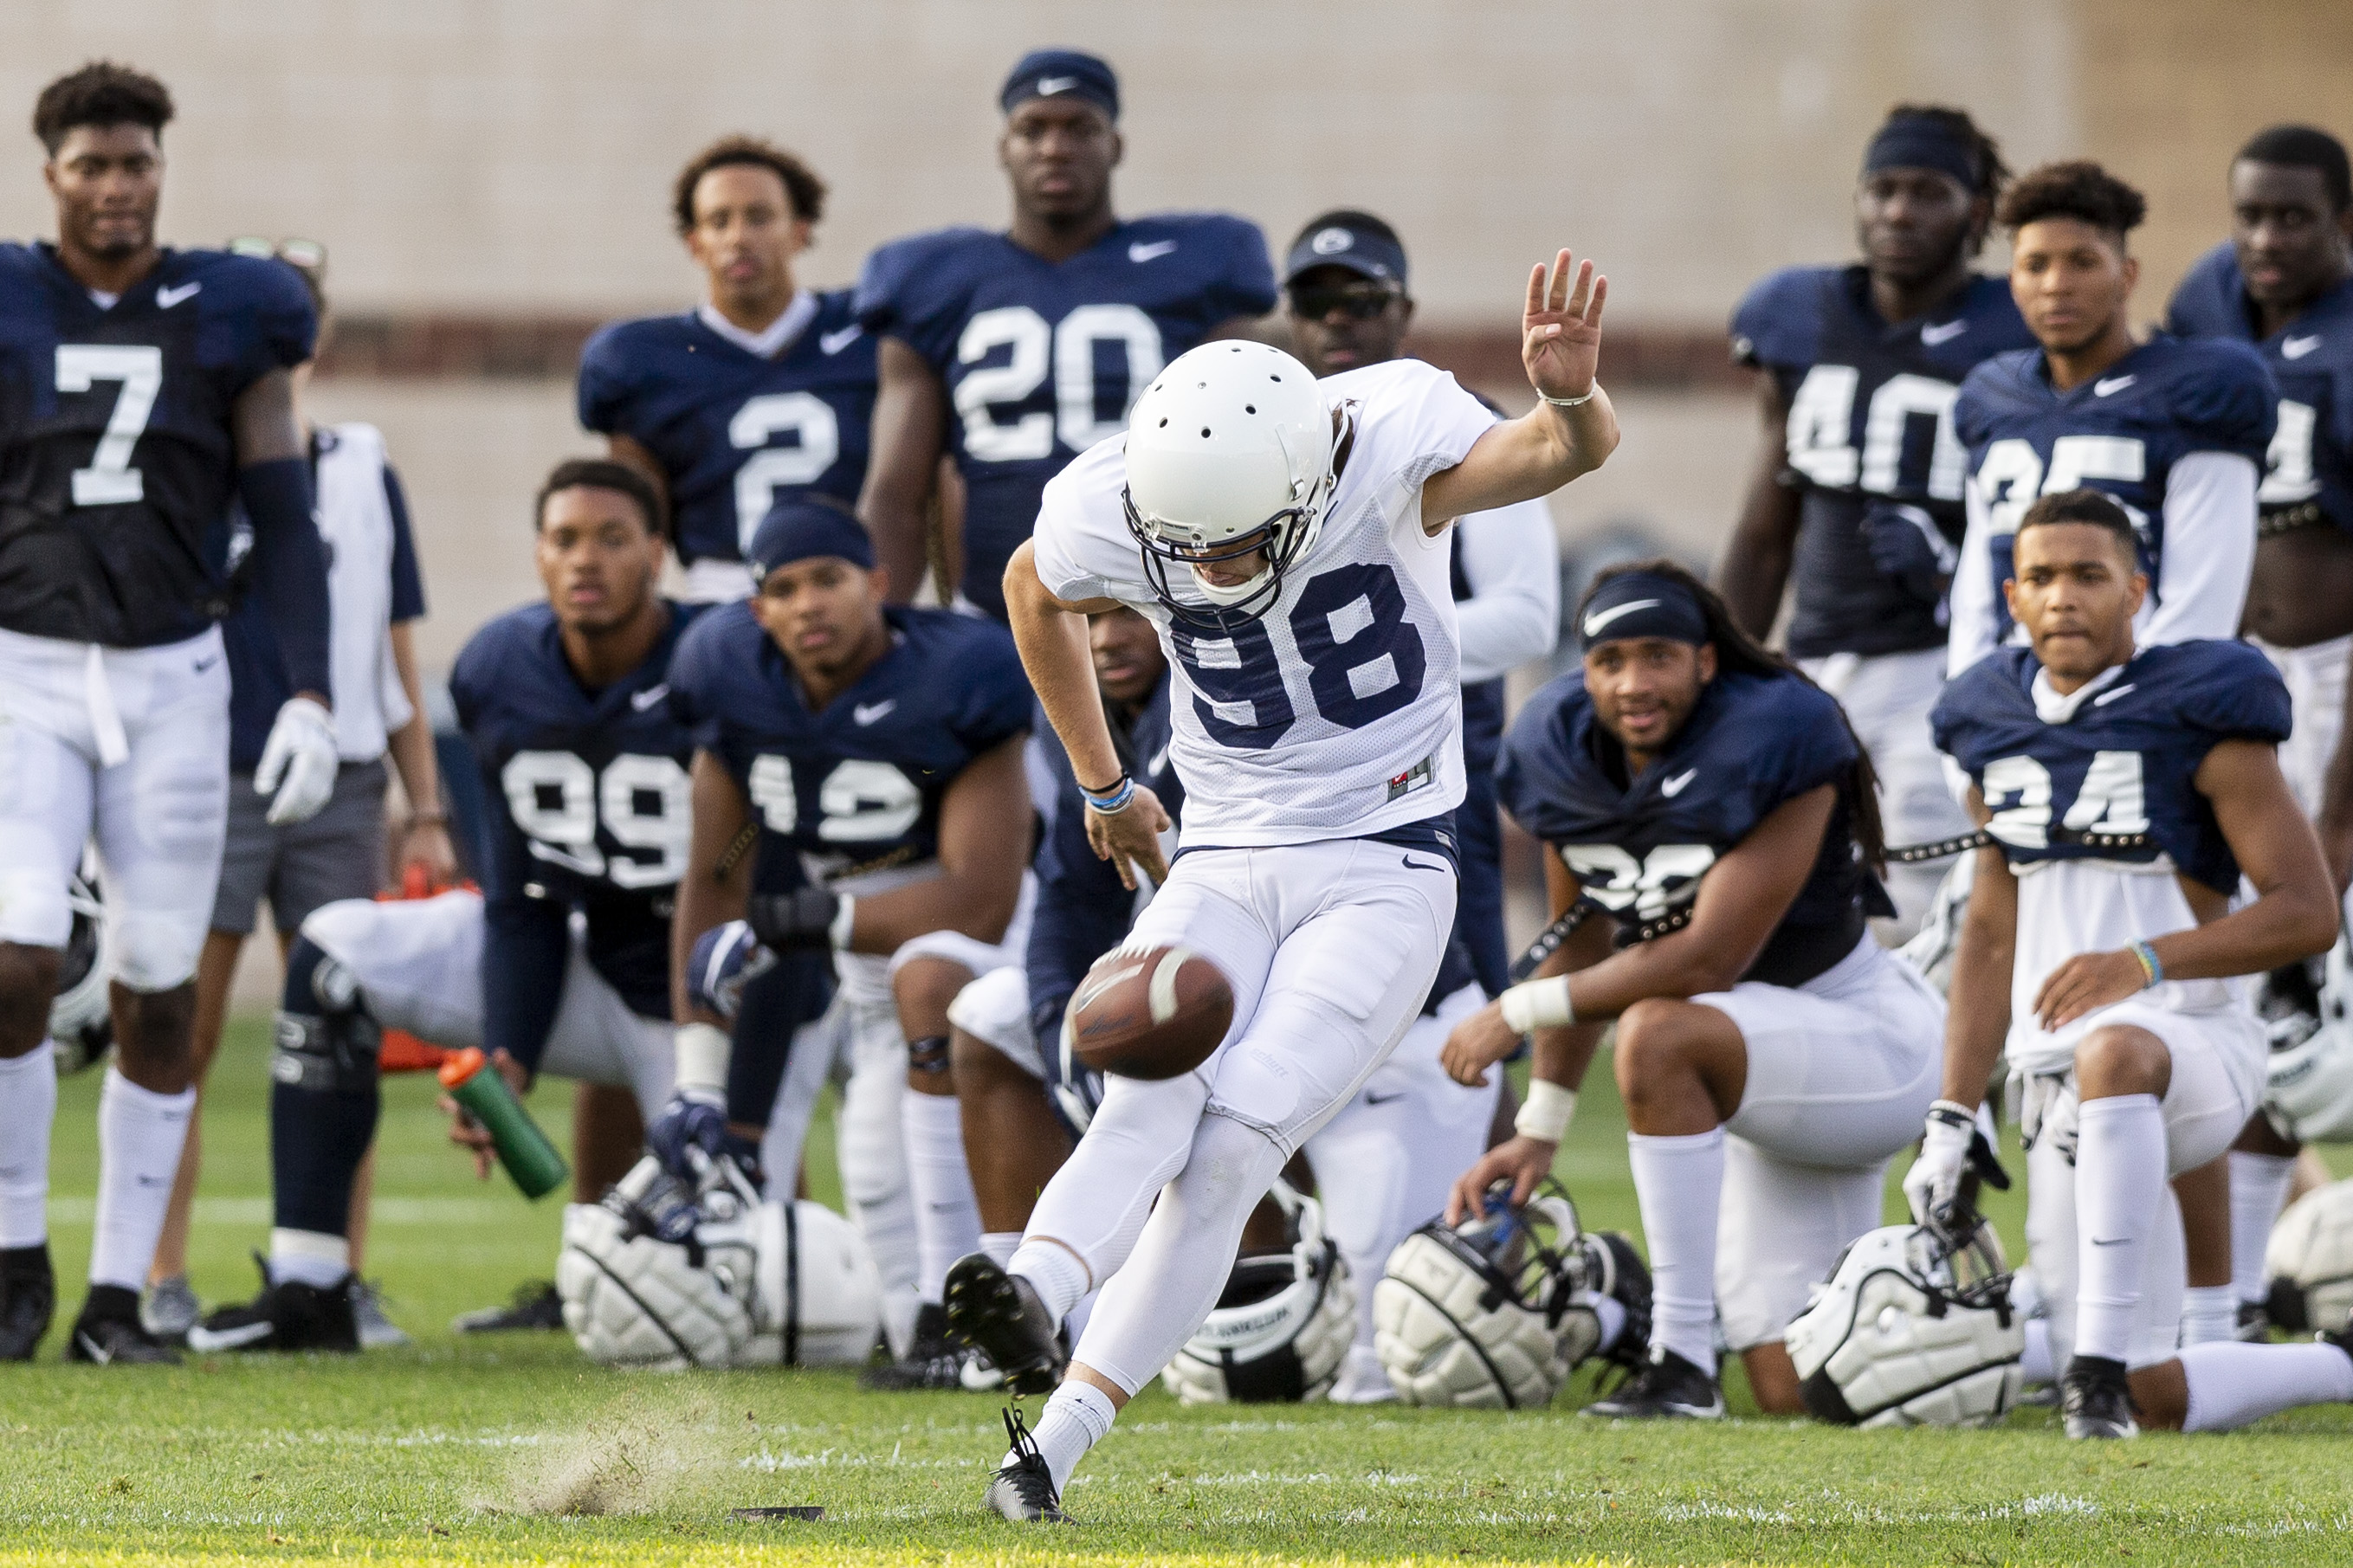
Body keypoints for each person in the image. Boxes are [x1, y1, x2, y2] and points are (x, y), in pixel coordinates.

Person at [953, 248, 1617, 1522]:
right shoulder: (1117, 498)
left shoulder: (1384, 439)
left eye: (1239, 538)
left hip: (1385, 860)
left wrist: (1571, 399)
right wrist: (1102, 782)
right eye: (1184, 545)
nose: (1209, 567)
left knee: (1232, 1142)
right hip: (1225, 844)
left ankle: (1055, 1443)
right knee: (1148, 1081)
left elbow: (1554, 456)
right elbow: (1031, 588)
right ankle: (1030, 1284)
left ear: (1309, 481)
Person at [184, 461, 706, 1352]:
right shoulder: (501, 667)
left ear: (657, 553)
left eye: (613, 538)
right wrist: (507, 1050)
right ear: (538, 555)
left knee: (730, 1285)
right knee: (332, 950)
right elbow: (518, 897)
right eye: (565, 538)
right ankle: (312, 1283)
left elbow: (741, 865)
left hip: (704, 993)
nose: (586, 559)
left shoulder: (717, 660)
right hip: (584, 963)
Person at [0, 63, 334, 1365]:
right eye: (91, 164)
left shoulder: (236, 310)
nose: (116, 186)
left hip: (178, 671)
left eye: (134, 162)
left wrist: (305, 684)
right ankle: (15, 1247)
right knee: (19, 955)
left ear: (160, 169)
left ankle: (118, 1292)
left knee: (157, 994)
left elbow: (288, 515)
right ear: (51, 175)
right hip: (23, 662)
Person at [1439, 561, 1940, 1420]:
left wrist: (1512, 1009)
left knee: (1657, 1030)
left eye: (1658, 657)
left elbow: (1705, 959)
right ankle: (2030, 1336)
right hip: (1756, 1072)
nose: (1633, 683)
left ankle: (1678, 1360)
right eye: (1610, 660)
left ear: (1706, 661)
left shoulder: (1778, 730)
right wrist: (1539, 1128)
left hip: (1863, 1042)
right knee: (1810, 1393)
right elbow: (1581, 941)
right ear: (1583, 667)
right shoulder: (1554, 748)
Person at [1908, 487, 2353, 1438]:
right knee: (2163, 1400)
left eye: (2086, 575)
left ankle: (2092, 1374)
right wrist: (1950, 1112)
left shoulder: (2200, 710)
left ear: (2135, 590)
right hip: (2049, 1075)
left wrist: (2144, 961)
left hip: (2192, 1044)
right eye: (2039, 577)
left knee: (2114, 1047)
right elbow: (1988, 934)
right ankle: (2330, 1363)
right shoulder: (1987, 716)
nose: (2061, 596)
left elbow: (2307, 911)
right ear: (2011, 595)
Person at [142, 237, 456, 1350]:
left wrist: (424, 802)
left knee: (341, 1026)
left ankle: (335, 1272)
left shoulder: (361, 461)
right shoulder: (179, 455)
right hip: (208, 761)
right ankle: (159, 1270)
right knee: (177, 1024)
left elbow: (391, 643)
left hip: (344, 771)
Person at [662, 496, 1033, 1368]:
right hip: (873, 973)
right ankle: (930, 1332)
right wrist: (697, 1077)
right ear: (757, 610)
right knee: (872, 1160)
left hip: (989, 950)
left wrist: (823, 915)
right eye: (783, 589)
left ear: (876, 580)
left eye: (827, 579)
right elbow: (714, 881)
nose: (807, 604)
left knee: (932, 1000)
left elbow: (980, 895)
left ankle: (1014, 1302)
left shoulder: (958, 674)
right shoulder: (729, 677)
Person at [1718, 106, 2033, 937]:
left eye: (1926, 192)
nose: (1898, 211)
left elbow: (2050, 520)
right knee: (1783, 907)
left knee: (1912, 915)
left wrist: (1948, 565)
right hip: (1812, 658)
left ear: (1974, 213)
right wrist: (1722, 662)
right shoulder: (1801, 313)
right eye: (1882, 189)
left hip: (1936, 661)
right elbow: (1765, 525)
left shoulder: (2013, 333)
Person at [853, 48, 1277, 618]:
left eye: (1081, 128)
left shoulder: (1197, 263)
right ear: (1003, 147)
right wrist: (882, 629)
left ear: (1116, 145)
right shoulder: (932, 280)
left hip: (1161, 611)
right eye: (1033, 129)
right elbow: (896, 494)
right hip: (997, 614)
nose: (1055, 147)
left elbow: (1242, 447)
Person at [2165, 123, 2353, 1335]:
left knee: (2313, 979)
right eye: (2250, 215)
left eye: (2293, 217)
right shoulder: (2205, 299)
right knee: (2255, 990)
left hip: (2338, 674)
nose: (2266, 240)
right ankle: (2222, 1303)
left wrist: (2336, 808)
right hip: (2238, 674)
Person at [1278, 208, 1559, 994]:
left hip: (1427, 775)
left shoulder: (1457, 424)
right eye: (1314, 300)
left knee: (1460, 1014)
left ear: (1405, 312)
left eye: (1363, 299)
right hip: (1288, 775)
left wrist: (1336, 653)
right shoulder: (1254, 427)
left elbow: (1528, 616)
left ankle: (1516, 1125)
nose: (1337, 317)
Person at [1947, 160, 2275, 679]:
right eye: (2036, 265)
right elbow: (1977, 594)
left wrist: (2127, 714)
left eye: (2082, 262)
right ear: (2013, 282)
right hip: (2018, 703)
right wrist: (1973, 699)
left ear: (2126, 276)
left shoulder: (2195, 392)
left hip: (2144, 702)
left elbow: (2202, 608)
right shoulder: (1993, 397)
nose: (2056, 284)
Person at [579, 136, 875, 606]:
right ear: (695, 243)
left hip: (854, 594)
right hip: (721, 598)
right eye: (720, 221)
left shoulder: (868, 331)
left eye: (759, 217)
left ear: (800, 230)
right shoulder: (642, 360)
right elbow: (637, 521)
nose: (739, 237)